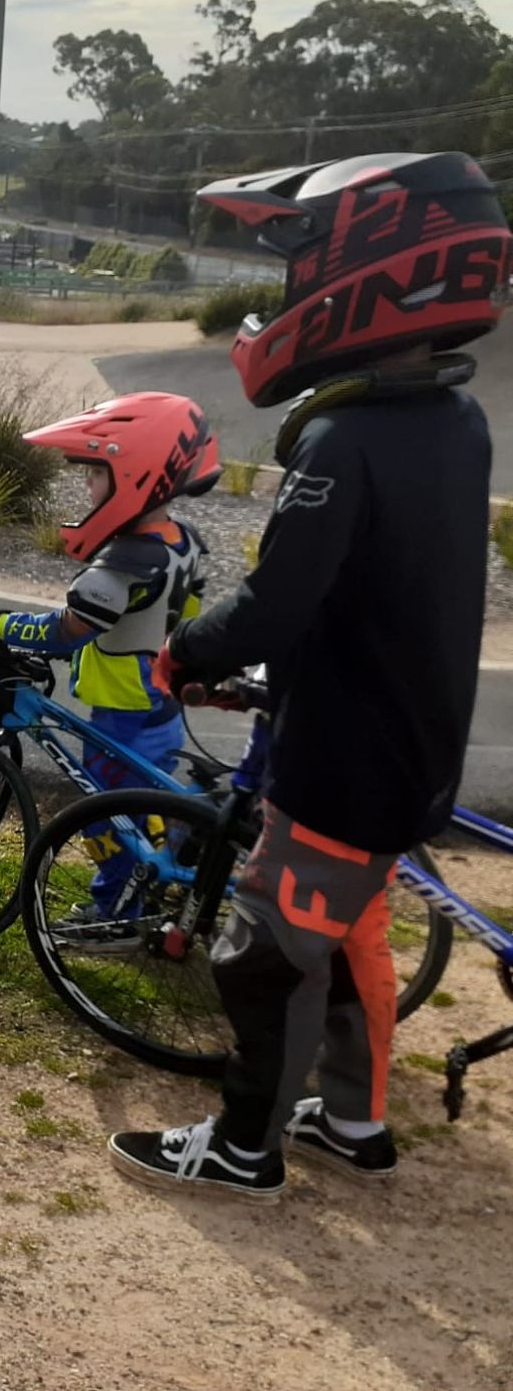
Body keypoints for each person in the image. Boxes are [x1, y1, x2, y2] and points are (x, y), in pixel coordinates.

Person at [108, 151, 508, 1201]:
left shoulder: (343, 438)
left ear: (369, 275)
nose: (283, 299)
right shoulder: (453, 423)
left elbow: (278, 601)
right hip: (412, 746)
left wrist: (184, 651)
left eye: (296, 274)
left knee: (264, 957)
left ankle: (243, 1147)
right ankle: (354, 1118)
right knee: (346, 943)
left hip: (338, 757)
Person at [0, 392, 221, 947]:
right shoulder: (184, 544)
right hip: (163, 703)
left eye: (96, 476)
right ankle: (161, 879)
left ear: (135, 475)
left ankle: (113, 917)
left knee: (103, 818)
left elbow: (66, 629)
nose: (88, 489)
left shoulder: (123, 563)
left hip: (122, 710)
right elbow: (177, 619)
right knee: (148, 804)